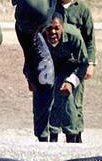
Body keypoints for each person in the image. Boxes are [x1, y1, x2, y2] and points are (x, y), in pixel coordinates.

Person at [32, 14, 90, 143]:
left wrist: (71, 81)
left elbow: (83, 63)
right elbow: (30, 59)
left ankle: (73, 138)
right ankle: (46, 139)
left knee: (69, 101)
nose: (52, 32)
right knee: (41, 100)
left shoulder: (74, 36)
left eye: (56, 28)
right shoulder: (37, 36)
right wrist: (30, 78)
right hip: (47, 67)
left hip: (69, 68)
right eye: (49, 28)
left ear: (62, 28)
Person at [55, 0, 96, 122]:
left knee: (75, 102)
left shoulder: (83, 9)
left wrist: (90, 64)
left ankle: (75, 138)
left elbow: (90, 38)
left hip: (77, 62)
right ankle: (53, 139)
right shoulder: (52, 7)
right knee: (56, 102)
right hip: (57, 62)